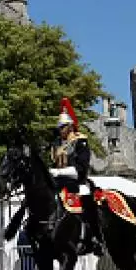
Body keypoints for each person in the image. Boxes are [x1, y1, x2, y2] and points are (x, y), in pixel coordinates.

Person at [49, 97, 103, 256]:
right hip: (59, 183)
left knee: (88, 204)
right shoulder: (58, 144)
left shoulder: (81, 141)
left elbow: (81, 167)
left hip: (77, 181)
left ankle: (95, 238)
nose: (60, 130)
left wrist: (58, 172)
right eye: (59, 127)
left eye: (62, 127)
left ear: (70, 126)